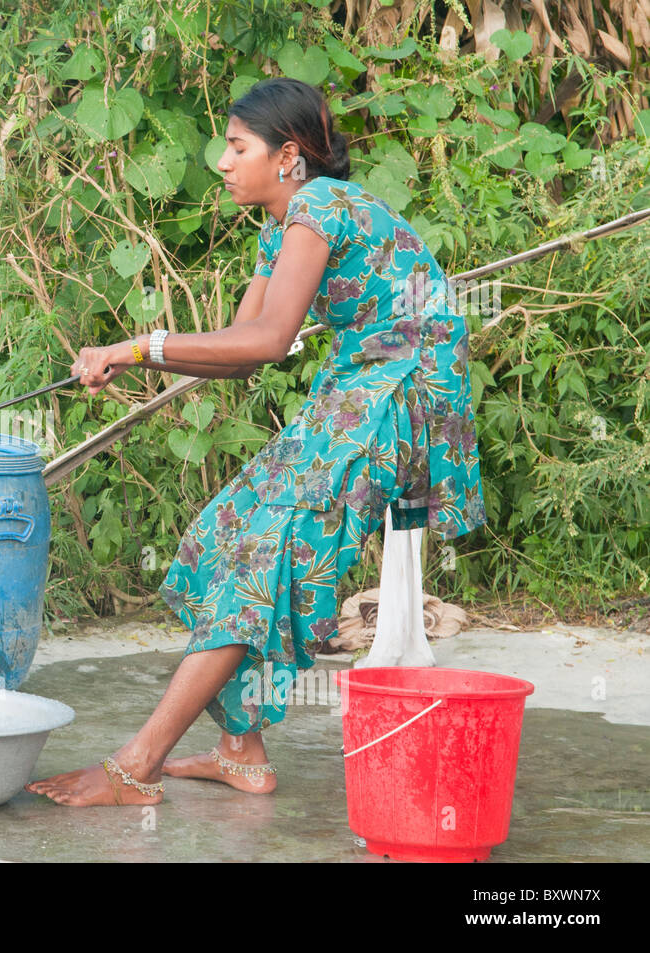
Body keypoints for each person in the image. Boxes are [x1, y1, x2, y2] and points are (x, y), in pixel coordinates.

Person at [26, 77, 486, 806]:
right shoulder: (280, 225)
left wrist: (142, 344)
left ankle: (135, 765)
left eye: (238, 147)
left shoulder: (320, 206)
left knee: (262, 558)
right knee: (227, 531)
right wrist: (129, 355)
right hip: (354, 382)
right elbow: (243, 351)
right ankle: (240, 750)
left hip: (402, 392)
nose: (222, 162)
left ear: (288, 156)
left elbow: (271, 341)